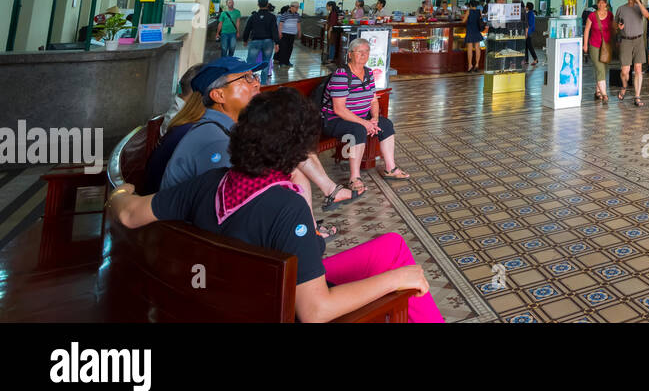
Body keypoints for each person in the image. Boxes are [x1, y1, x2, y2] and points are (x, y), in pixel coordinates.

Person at [106, 87, 442, 322]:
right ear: (299, 148)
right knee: (403, 270)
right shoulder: (286, 206)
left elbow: (129, 213)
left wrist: (120, 191)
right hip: (270, 299)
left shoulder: (209, 182)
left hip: (237, 282)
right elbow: (314, 312)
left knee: (393, 246)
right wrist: (396, 280)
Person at [159, 56, 355, 223]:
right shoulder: (214, 141)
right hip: (196, 238)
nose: (256, 83)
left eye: (254, 76)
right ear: (218, 95)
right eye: (246, 78)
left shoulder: (227, 127)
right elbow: (233, 205)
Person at [323, 38, 409, 195]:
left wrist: (374, 119)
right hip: (335, 121)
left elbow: (373, 100)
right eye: (359, 51)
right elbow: (339, 109)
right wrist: (365, 123)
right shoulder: (341, 75)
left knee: (386, 124)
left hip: (361, 118)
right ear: (350, 54)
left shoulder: (369, 72)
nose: (364, 55)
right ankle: (354, 178)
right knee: (358, 130)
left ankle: (390, 168)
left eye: (367, 51)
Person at [615, 0, 649, 106]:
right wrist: (618, 28)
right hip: (625, 41)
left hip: (638, 40)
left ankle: (637, 96)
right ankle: (624, 86)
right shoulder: (621, 9)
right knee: (625, 71)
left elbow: (647, 15)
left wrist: (639, 2)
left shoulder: (639, 8)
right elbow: (615, 26)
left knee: (638, 69)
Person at [583, 0, 614, 103]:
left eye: (603, 2)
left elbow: (613, 28)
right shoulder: (592, 16)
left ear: (606, 4)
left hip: (606, 46)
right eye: (599, 2)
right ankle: (605, 95)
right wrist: (585, 45)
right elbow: (587, 30)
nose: (601, 4)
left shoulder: (610, 15)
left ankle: (598, 91)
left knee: (604, 69)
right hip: (594, 46)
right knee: (600, 68)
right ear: (597, 4)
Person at [241, 0, 279, 83]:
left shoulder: (253, 16)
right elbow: (274, 30)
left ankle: (249, 81)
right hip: (268, 42)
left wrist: (245, 40)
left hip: (255, 41)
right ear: (267, 4)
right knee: (266, 62)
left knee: (250, 63)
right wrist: (277, 43)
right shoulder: (272, 17)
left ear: (258, 4)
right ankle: (263, 83)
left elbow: (247, 29)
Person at [462, 0, 485, 71]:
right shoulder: (479, 11)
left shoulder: (469, 11)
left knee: (470, 48)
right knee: (477, 48)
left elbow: (463, 21)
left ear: (470, 5)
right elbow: (481, 20)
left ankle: (470, 65)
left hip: (470, 31)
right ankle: (477, 64)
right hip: (477, 31)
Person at [276, 1, 301, 66]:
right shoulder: (285, 14)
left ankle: (287, 61)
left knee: (290, 48)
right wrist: (280, 33)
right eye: (296, 7)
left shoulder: (297, 15)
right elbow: (280, 24)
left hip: (292, 34)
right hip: (284, 34)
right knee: (283, 48)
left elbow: (298, 24)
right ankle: (281, 62)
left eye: (298, 7)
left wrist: (299, 32)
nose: (297, 9)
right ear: (291, 7)